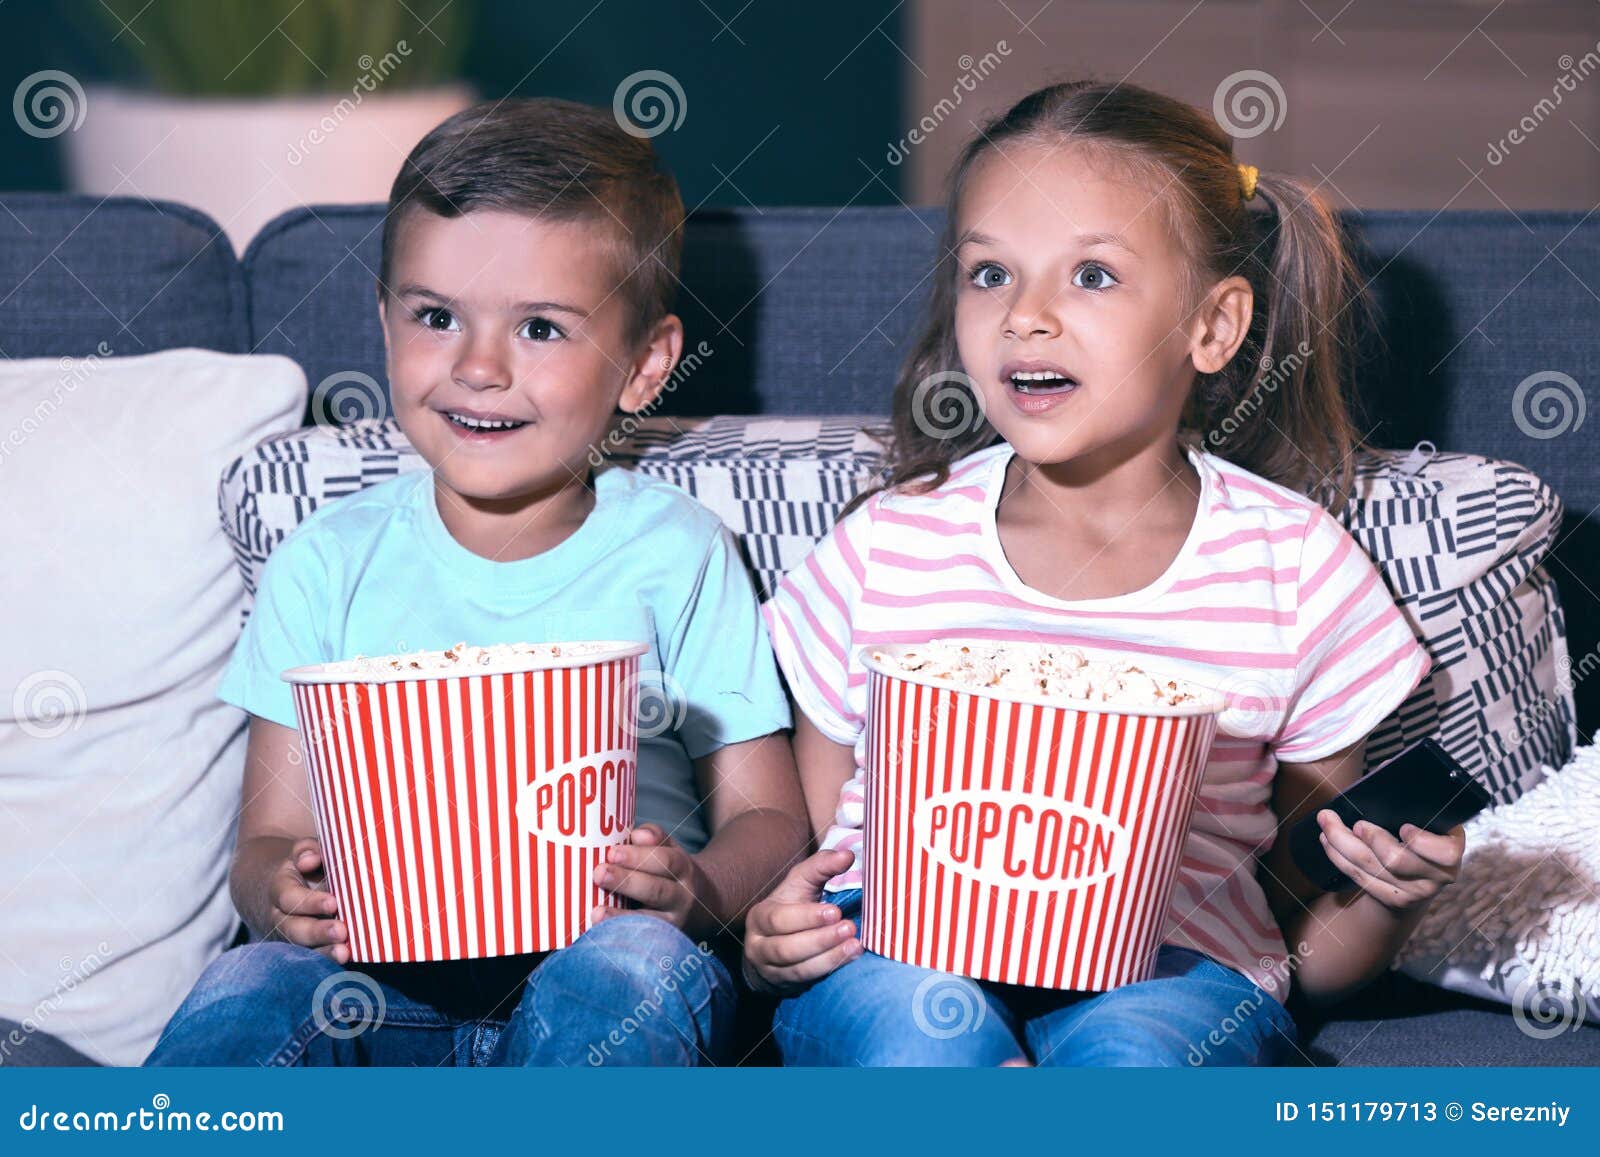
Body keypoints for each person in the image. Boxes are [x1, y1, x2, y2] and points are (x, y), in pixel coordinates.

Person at [745, 80, 1462, 1066]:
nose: (1026, 316)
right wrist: (773, 934)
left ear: (1213, 326)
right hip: (895, 955)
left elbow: (1306, 947)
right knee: (919, 1032)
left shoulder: (1298, 572)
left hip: (1174, 972)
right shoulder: (884, 547)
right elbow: (819, 853)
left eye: (1091, 275)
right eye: (990, 273)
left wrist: (1386, 895)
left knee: (1140, 1056)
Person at [146, 98, 806, 1067]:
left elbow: (768, 815)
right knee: (249, 982)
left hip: (602, 973)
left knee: (633, 963)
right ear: (384, 323)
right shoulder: (325, 561)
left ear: (643, 363)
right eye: (436, 317)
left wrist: (696, 891)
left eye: (539, 327)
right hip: (378, 988)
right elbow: (268, 835)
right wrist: (279, 892)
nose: (478, 367)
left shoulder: (678, 551)